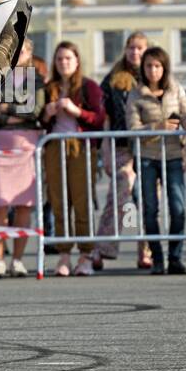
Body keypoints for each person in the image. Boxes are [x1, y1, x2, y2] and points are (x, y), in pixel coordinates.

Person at [127, 46, 186, 275]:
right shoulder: (136, 94)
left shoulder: (175, 89)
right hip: (147, 157)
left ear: (164, 67)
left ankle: (175, 257)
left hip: (173, 155)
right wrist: (158, 127)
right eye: (148, 66)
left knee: (178, 208)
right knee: (149, 210)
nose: (153, 70)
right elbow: (133, 128)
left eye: (157, 65)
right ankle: (157, 258)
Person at [41, 41, 105, 277]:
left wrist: (77, 111)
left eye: (68, 58)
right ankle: (64, 254)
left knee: (82, 200)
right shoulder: (50, 87)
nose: (64, 63)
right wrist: (46, 114)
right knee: (58, 202)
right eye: (59, 59)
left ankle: (86, 254)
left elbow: (99, 119)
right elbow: (41, 121)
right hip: (54, 146)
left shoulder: (89, 86)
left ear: (77, 61)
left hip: (81, 147)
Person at [0, 38, 44, 278]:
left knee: (24, 206)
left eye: (23, 50)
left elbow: (35, 112)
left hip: (26, 145)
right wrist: (15, 112)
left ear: (30, 52)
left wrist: (7, 110)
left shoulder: (36, 78)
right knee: (0, 205)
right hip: (1, 145)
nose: (19, 54)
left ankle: (18, 260)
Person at [97, 31, 149, 269]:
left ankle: (147, 251)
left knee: (150, 200)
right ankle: (103, 248)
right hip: (122, 145)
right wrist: (106, 151)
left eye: (139, 48)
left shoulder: (156, 74)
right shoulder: (114, 78)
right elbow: (106, 117)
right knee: (118, 195)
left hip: (151, 146)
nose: (135, 52)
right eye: (131, 48)